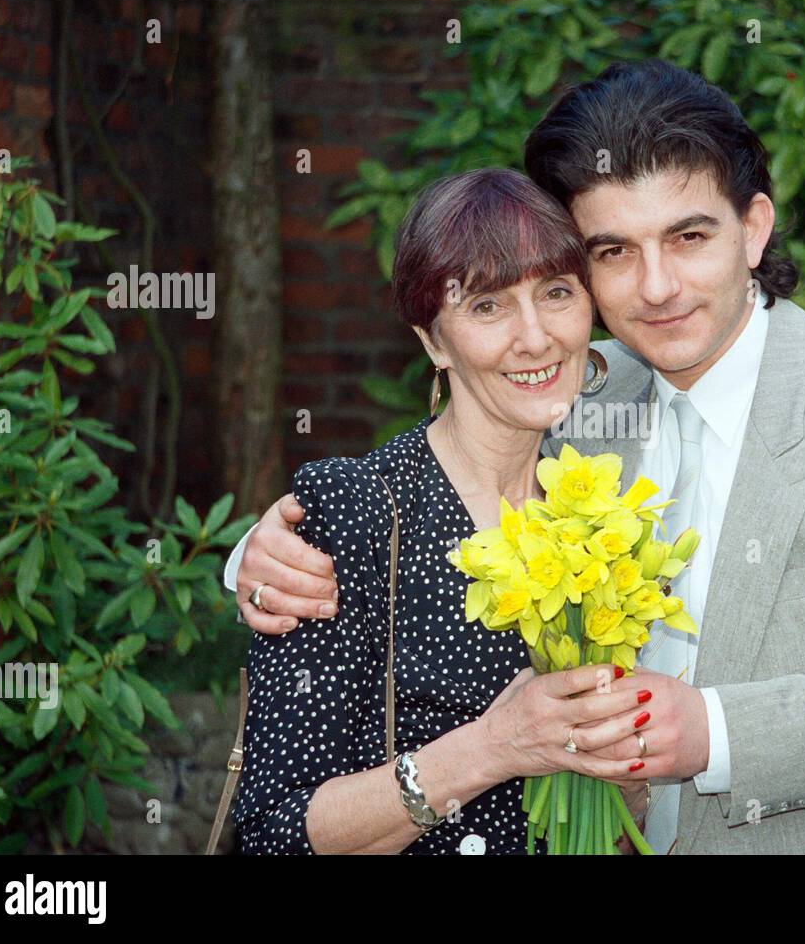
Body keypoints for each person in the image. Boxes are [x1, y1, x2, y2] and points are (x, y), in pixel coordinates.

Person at [228, 59, 805, 854]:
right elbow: (447, 470)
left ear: (753, 227)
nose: (657, 287)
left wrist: (711, 729)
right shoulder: (579, 396)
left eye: (689, 237)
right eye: (612, 252)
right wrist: (261, 555)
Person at [231, 168, 655, 855]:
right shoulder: (354, 511)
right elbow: (274, 832)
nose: (536, 336)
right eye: (487, 306)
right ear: (433, 339)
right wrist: (493, 747)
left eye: (555, 293)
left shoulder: (599, 508)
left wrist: (625, 776)